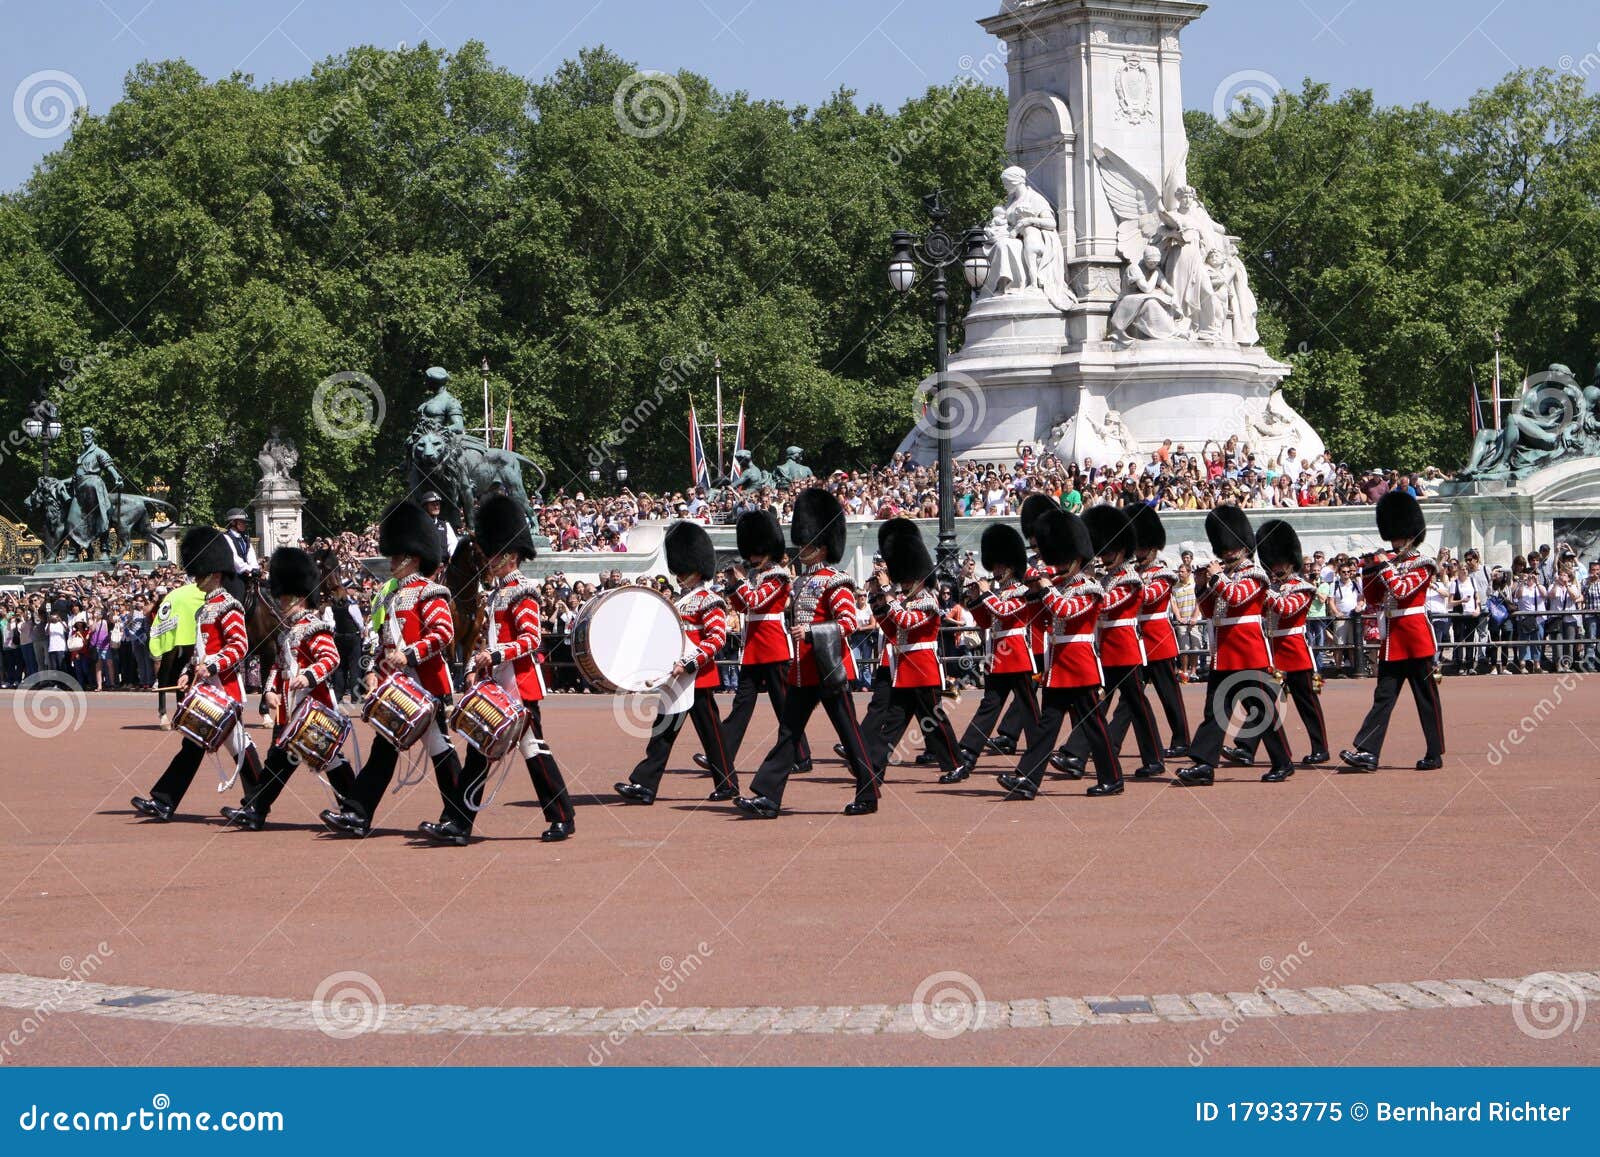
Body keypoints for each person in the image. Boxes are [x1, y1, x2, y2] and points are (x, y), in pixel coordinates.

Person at [424, 495, 574, 845]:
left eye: (494, 554)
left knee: (533, 751)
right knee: (478, 753)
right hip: (497, 684)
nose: (489, 561)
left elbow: (532, 639)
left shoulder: (523, 591)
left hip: (520, 686)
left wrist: (495, 653)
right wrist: (482, 664)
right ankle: (459, 823)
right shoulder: (495, 594)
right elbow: (487, 637)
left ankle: (562, 816)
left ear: (510, 554)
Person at [321, 501, 462, 838]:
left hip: (426, 684)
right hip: (397, 687)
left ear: (413, 557)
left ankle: (458, 817)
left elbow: (443, 634)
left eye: (397, 557)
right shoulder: (391, 596)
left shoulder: (431, 592)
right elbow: (380, 640)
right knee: (383, 749)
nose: (392, 563)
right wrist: (373, 670)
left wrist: (409, 654)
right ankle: (358, 813)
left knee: (440, 749)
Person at [736, 487, 878, 818]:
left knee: (849, 733)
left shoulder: (836, 581)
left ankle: (868, 793)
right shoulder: (800, 583)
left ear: (822, 547)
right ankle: (769, 797)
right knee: (788, 732)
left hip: (828, 669)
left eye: (808, 544)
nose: (802, 549)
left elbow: (848, 623)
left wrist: (813, 632)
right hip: (803, 670)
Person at [131, 527, 264, 821]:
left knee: (240, 745)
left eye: (200, 573)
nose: (196, 579)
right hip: (206, 688)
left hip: (224, 688)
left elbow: (239, 646)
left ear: (214, 573)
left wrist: (213, 666)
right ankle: (164, 801)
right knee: (192, 745)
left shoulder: (229, 606)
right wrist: (189, 671)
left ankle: (259, 803)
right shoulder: (205, 608)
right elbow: (203, 649)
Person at [221, 547, 358, 830]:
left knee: (329, 758)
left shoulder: (314, 627)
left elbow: (330, 659)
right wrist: (269, 690)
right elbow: (277, 667)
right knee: (279, 761)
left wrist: (308, 676)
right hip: (290, 708)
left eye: (285, 599)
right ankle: (257, 810)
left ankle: (356, 810)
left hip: (313, 706)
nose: (281, 604)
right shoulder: (287, 631)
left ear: (300, 598)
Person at [997, 508, 1123, 799]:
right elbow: (1038, 618)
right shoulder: (1058, 586)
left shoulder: (1090, 588)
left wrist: (1044, 588)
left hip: (1079, 665)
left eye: (1064, 559)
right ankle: (1027, 780)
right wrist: (1031, 592)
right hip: (1058, 667)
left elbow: (1066, 611)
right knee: (1045, 728)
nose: (1060, 564)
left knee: (1094, 727)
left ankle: (1113, 777)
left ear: (1077, 560)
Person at [616, 521, 738, 804]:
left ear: (698, 569)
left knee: (711, 733)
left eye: (684, 570)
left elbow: (717, 638)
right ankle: (645, 784)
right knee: (664, 729)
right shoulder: (681, 602)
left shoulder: (710, 599)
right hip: (675, 677)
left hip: (697, 676)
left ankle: (728, 783)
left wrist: (691, 663)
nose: (680, 576)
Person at [1174, 506, 1294, 786]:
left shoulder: (1256, 573)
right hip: (1225, 652)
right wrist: (1202, 586)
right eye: (1223, 548)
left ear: (1242, 546)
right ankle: (1203, 764)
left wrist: (1217, 577)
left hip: (1248, 650)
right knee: (1215, 710)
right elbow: (1209, 610)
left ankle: (1283, 761)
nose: (1226, 553)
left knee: (1262, 710)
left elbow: (1238, 597)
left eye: (1230, 548)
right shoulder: (1225, 573)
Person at [1052, 505, 1165, 779]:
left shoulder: (1131, 578)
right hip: (1103, 650)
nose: (1105, 556)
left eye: (1110, 551)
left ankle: (1154, 758)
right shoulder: (1107, 577)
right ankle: (1076, 755)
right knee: (1095, 705)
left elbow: (1105, 605)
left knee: (1137, 706)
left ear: (1123, 550)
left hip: (1125, 650)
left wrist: (1084, 588)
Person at [1340, 491, 1445, 772]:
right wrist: (1367, 570)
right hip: (1393, 640)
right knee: (1383, 697)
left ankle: (1434, 752)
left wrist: (1384, 565)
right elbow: (1373, 598)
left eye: (1397, 537)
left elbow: (1401, 590)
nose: (1393, 542)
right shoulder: (1393, 563)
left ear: (1410, 535)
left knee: (1426, 699)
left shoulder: (1423, 564)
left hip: (1415, 638)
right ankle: (1368, 752)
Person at [704, 510, 811, 774]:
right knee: (742, 705)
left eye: (755, 553)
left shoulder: (779, 575)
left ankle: (801, 755)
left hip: (773, 646)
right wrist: (732, 585)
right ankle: (723, 754)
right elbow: (744, 607)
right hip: (754, 647)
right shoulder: (757, 576)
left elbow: (755, 601)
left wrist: (740, 582)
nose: (751, 558)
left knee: (785, 706)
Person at [860, 519, 962, 782]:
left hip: (923, 668)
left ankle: (955, 764)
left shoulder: (929, 600)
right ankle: (874, 766)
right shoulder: (906, 599)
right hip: (904, 668)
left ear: (918, 578)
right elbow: (893, 630)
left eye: (906, 582)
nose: (902, 586)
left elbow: (906, 621)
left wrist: (888, 592)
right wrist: (877, 600)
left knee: (935, 722)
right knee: (893, 723)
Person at [1223, 519, 1328, 772]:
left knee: (1307, 704)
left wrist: (1264, 592)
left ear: (1291, 562)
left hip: (1294, 651)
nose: (1277, 566)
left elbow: (1286, 609)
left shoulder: (1303, 587)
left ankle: (1320, 748)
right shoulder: (1270, 585)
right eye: (1274, 562)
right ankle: (1246, 748)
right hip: (1271, 651)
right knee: (1262, 702)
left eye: (1281, 562)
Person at [945, 523, 1039, 782]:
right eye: (995, 566)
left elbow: (1007, 613)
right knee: (989, 706)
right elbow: (988, 622)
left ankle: (1037, 756)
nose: (996, 571)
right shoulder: (1000, 592)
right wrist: (976, 600)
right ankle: (966, 756)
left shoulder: (1022, 590)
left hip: (1017, 654)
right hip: (999, 656)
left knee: (1029, 710)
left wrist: (986, 595)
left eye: (1000, 566)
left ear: (1011, 566)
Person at [988, 494, 1057, 756]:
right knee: (1028, 687)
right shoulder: (1029, 564)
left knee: (1045, 690)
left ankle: (1068, 741)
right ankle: (1011, 734)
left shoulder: (1053, 564)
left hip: (1049, 634)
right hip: (1032, 635)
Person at [1125, 504, 1189, 754]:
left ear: (1152, 549)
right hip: (1134, 641)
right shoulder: (1131, 571)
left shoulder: (1163, 573)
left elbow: (1149, 597)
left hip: (1158, 639)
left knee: (1168, 695)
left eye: (1142, 548)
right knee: (1129, 698)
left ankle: (1182, 740)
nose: (1138, 552)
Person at [421, 490, 459, 573]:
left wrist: (453, 557)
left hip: (444, 568)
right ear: (425, 507)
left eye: (438, 504)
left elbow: (453, 545)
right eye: (433, 504)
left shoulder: (446, 525)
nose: (436, 507)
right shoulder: (418, 526)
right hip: (425, 570)